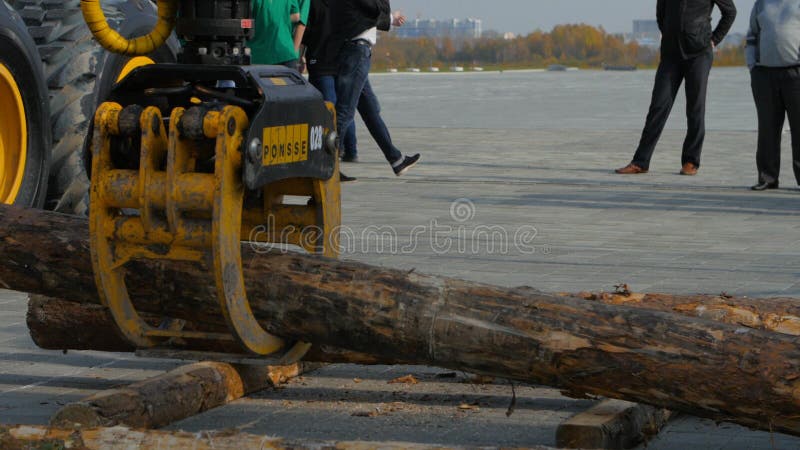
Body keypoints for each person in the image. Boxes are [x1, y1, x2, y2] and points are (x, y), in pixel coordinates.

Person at [616, 0, 736, 176]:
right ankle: (640, 161)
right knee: (658, 106)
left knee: (695, 107)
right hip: (671, 55)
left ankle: (690, 161)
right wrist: (671, 35)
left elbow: (730, 12)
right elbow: (661, 14)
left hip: (699, 54)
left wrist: (713, 39)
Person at [330, 0, 420, 176]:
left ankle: (396, 159)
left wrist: (390, 19)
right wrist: (391, 17)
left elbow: (370, 13)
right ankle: (327, 165)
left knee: (370, 109)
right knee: (344, 112)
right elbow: (373, 9)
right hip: (356, 51)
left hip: (356, 51)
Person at [745, 0, 800, 191]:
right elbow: (752, 35)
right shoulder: (761, 4)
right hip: (765, 75)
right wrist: (752, 65)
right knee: (767, 128)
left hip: (796, 74)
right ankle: (767, 177)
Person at [303, 0, 359, 163]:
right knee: (343, 105)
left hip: (320, 58)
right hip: (340, 58)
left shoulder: (313, 4)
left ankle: (337, 147)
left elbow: (305, 29)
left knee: (331, 105)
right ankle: (350, 148)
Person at [249, 0, 302, 69]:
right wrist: (281, 19)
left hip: (259, 55)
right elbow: (296, 16)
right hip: (285, 51)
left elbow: (244, 22)